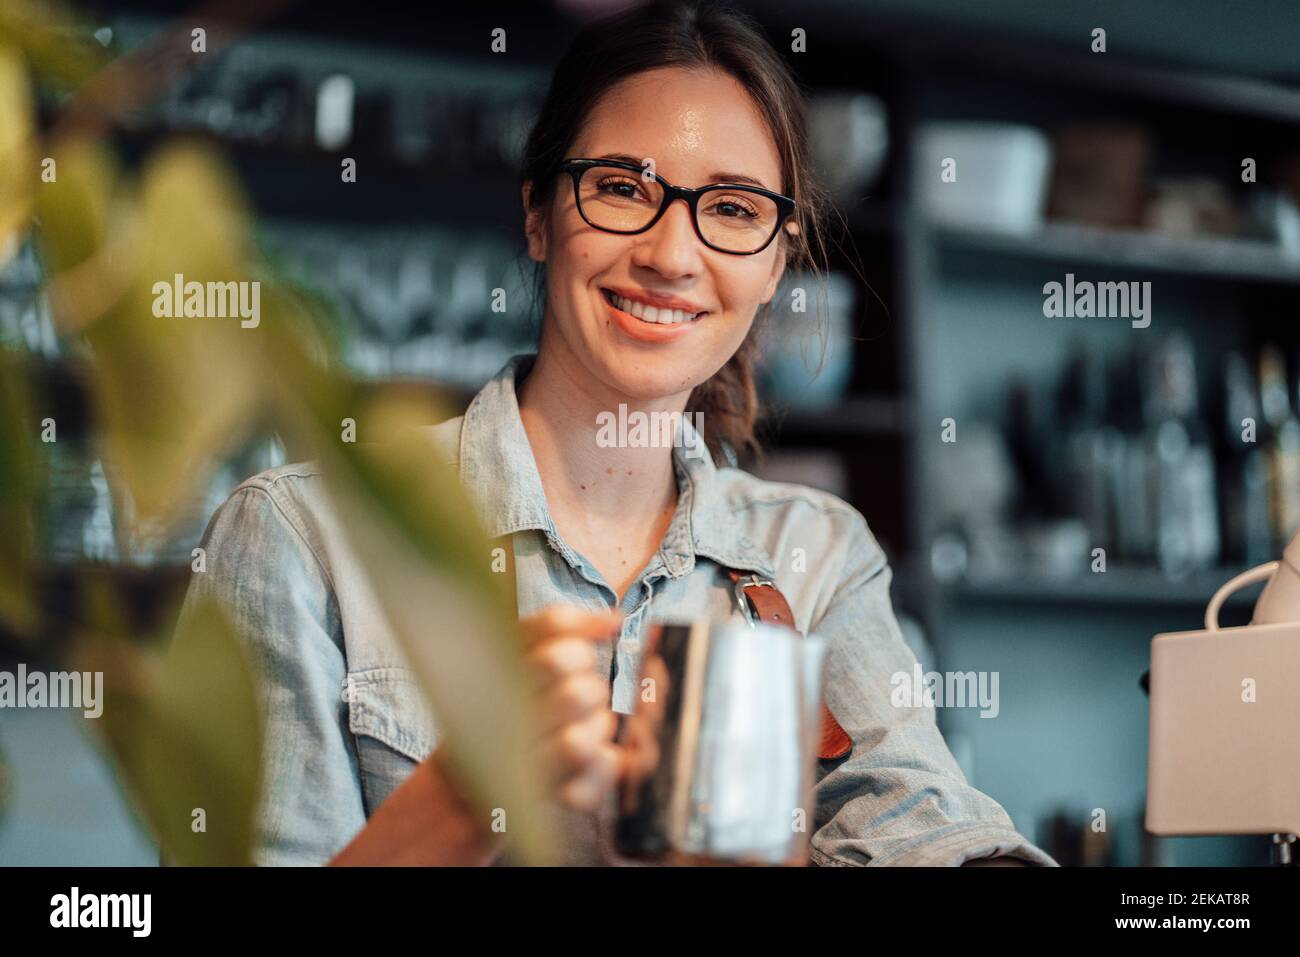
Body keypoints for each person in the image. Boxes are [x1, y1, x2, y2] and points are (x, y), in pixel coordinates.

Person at [178, 0, 1054, 867]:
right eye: (623, 189)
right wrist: (465, 798)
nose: (672, 256)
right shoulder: (305, 534)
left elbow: (938, 833)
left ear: (777, 261)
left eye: (736, 209)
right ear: (538, 215)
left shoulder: (816, 553)